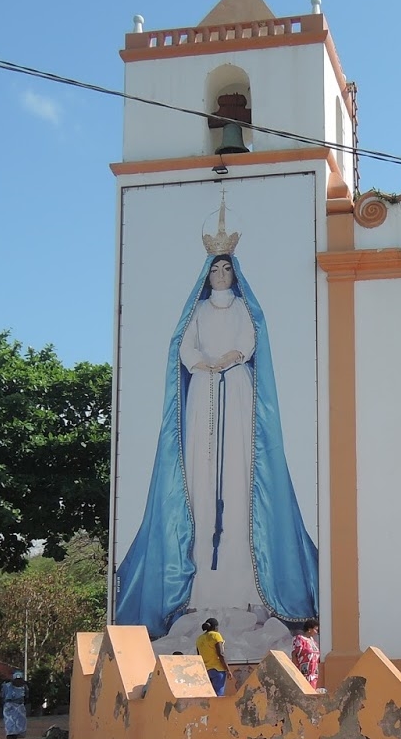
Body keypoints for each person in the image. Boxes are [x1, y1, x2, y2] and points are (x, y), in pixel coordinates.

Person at [113, 198, 320, 661]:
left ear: (234, 274)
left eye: (228, 270)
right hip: (204, 393)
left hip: (236, 390)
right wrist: (204, 365)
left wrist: (229, 360)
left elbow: (249, 343)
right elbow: (185, 349)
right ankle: (199, 590)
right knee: (202, 486)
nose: (221, 277)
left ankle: (248, 588)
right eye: (216, 271)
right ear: (207, 276)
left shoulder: (244, 312)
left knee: (242, 479)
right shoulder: (199, 314)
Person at [196, 617, 229, 693]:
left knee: (208, 695)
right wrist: (227, 669)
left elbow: (199, 656)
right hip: (218, 670)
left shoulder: (199, 639)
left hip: (206, 671)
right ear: (215, 627)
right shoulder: (216, 635)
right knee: (218, 695)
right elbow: (221, 654)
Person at [0, 670, 30, 739]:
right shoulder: (7, 686)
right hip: (10, 708)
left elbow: (26, 697)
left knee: (18, 728)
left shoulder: (24, 687)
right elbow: (2, 697)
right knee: (10, 728)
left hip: (20, 708)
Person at [291, 619, 321, 688]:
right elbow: (294, 655)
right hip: (303, 674)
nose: (317, 632)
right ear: (309, 629)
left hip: (313, 676)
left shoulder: (314, 642)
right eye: (316, 630)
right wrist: (295, 672)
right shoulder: (300, 639)